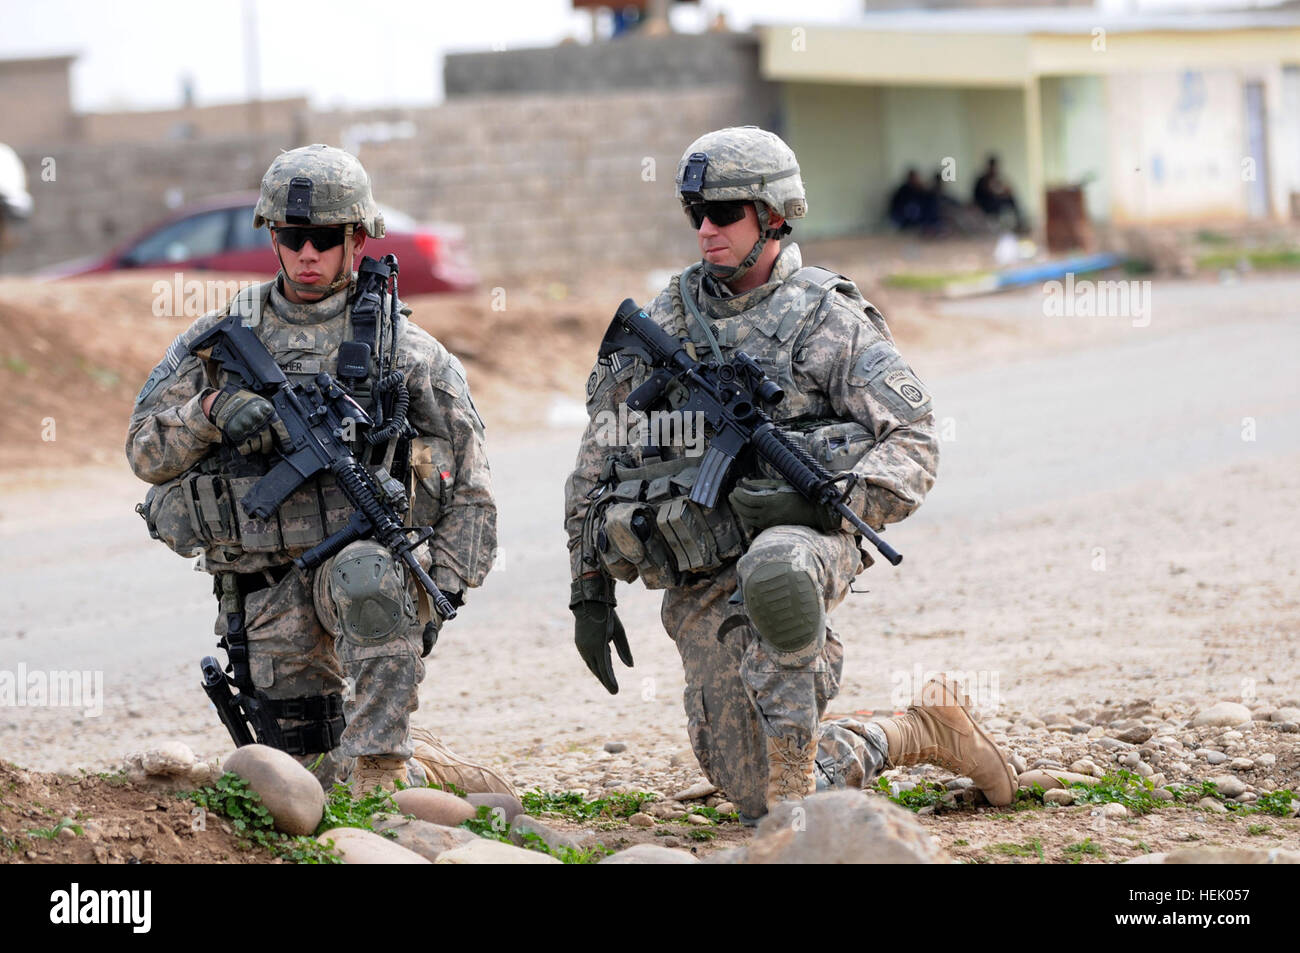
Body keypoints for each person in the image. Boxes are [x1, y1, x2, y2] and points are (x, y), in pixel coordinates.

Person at [563, 126, 1017, 820]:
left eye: (724, 213)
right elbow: (599, 456)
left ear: (774, 215)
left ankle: (795, 796)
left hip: (804, 543)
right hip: (702, 562)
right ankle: (915, 730)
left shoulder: (826, 317)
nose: (705, 231)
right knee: (743, 785)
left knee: (774, 575)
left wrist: (830, 503)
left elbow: (915, 439)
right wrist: (588, 588)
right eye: (696, 215)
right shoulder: (663, 322)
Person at [127, 144, 498, 795]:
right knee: (303, 777)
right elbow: (144, 452)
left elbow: (471, 489)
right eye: (293, 236)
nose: (306, 254)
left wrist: (434, 594)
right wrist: (211, 409)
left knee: (369, 574)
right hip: (265, 587)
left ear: (356, 238)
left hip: (362, 581)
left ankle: (387, 770)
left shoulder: (405, 350)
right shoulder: (221, 339)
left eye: (323, 238)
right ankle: (401, 768)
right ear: (272, 234)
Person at [973, 154, 1026, 233]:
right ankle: (1018, 223)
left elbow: (1006, 190)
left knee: (1010, 198)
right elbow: (990, 192)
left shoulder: (996, 178)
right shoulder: (983, 179)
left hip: (995, 202)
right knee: (1007, 200)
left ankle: (1019, 223)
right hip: (984, 204)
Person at [887, 167, 936, 231]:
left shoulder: (923, 192)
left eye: (915, 178)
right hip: (903, 223)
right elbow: (894, 209)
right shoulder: (902, 192)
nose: (913, 180)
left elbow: (929, 210)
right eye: (912, 178)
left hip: (921, 224)